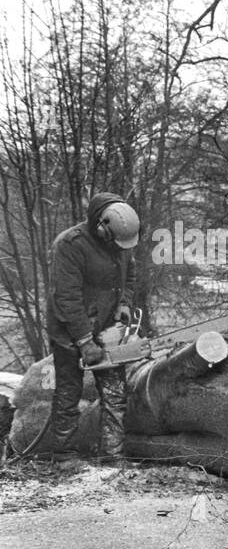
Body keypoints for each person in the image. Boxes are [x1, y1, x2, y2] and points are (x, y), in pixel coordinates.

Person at [45, 193, 140, 463]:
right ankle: (64, 457)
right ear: (101, 225)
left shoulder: (121, 241)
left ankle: (112, 457)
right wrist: (85, 342)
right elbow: (66, 297)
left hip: (106, 327)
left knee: (115, 393)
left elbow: (130, 275)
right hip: (69, 329)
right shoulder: (69, 245)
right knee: (68, 391)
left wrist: (124, 303)